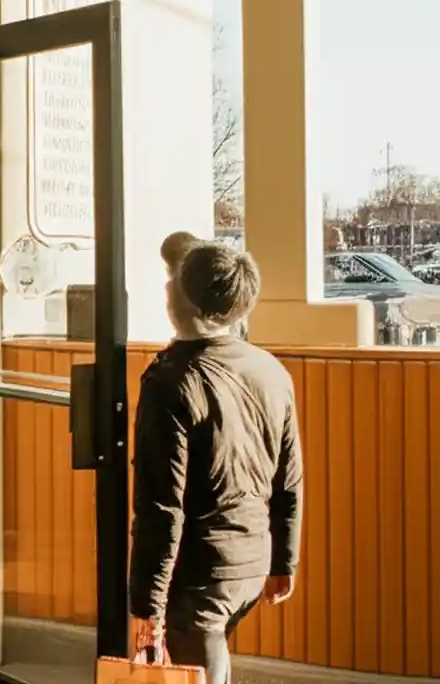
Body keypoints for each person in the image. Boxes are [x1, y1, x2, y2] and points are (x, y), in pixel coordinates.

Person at [130, 243, 304, 684]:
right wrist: (284, 561)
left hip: (199, 573)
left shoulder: (171, 381)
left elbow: (161, 507)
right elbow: (289, 479)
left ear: (185, 300)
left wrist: (147, 608)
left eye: (173, 278)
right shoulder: (270, 370)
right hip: (252, 561)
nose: (166, 285)